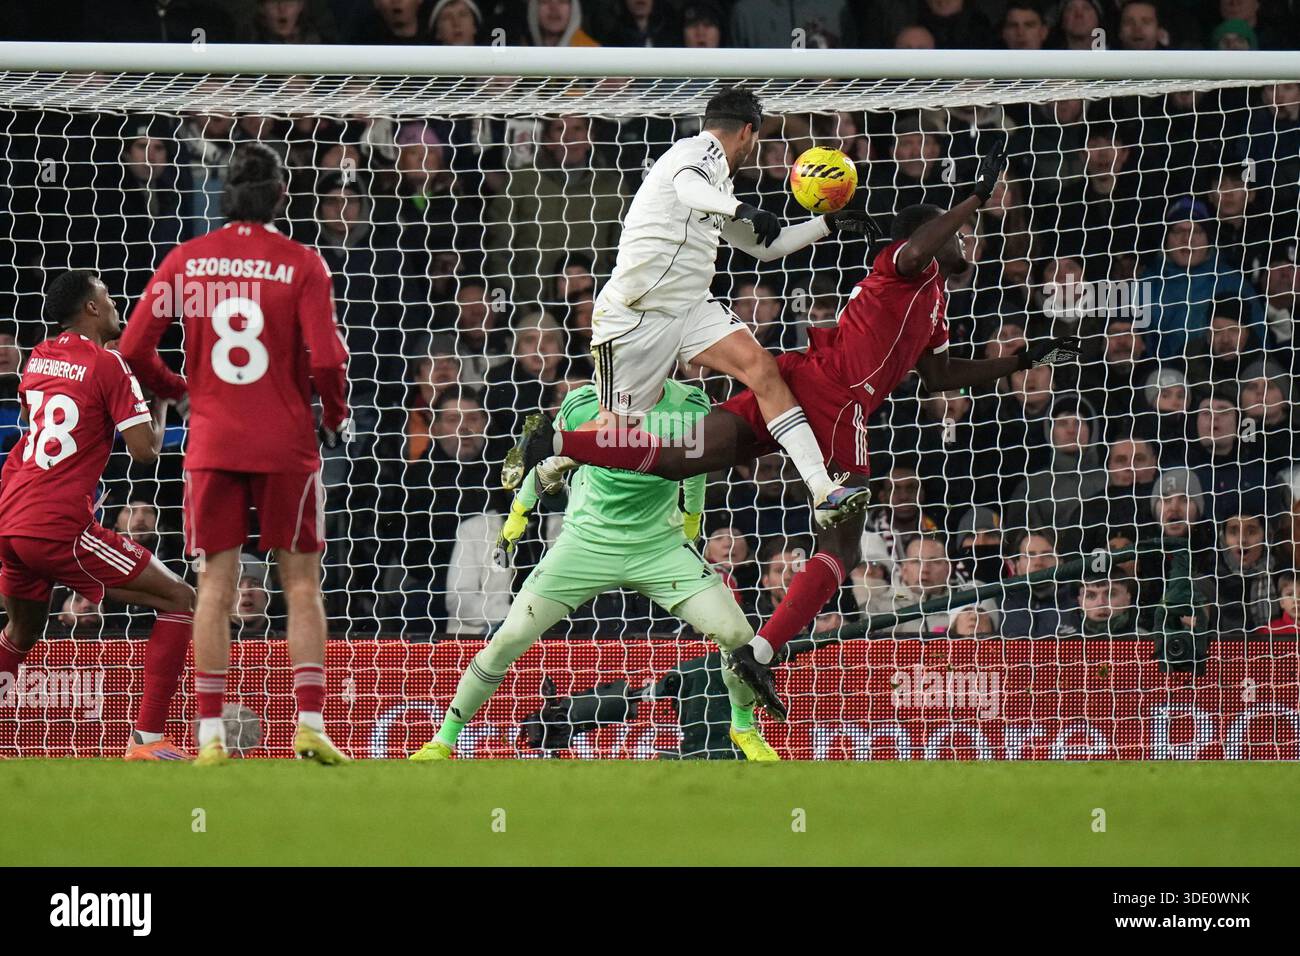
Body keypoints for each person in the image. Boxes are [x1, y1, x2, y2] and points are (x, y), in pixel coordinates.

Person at [531, 140, 1081, 715]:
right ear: (936, 237)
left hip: (797, 381)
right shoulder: (901, 268)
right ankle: (761, 653)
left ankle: (556, 442)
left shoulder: (933, 298)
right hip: (835, 402)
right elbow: (917, 247)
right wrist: (974, 196)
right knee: (839, 547)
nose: (966, 241)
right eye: (956, 235)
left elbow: (940, 375)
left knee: (682, 455)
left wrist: (1023, 359)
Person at [508, 87, 880, 525]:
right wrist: (742, 207)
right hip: (636, 314)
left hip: (690, 308)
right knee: (616, 432)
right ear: (747, 133)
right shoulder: (695, 152)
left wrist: (826, 223)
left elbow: (766, 248)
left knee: (762, 369)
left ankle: (822, 492)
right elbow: (688, 188)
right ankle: (548, 447)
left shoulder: (717, 183)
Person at [119, 143, 352, 767]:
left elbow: (135, 348)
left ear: (224, 195)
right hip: (285, 442)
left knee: (214, 585)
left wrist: (182, 390)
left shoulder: (186, 262)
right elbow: (328, 359)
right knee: (301, 583)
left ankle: (211, 737)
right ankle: (308, 723)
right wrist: (333, 414)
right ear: (282, 195)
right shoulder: (303, 263)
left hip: (213, 440)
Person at [409, 379, 780, 763]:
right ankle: (443, 740)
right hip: (585, 546)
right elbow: (549, 464)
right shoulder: (584, 404)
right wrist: (517, 515)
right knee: (508, 639)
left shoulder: (691, 405)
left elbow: (696, 467)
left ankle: (743, 728)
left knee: (737, 635)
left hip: (660, 548)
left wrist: (691, 521)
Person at [0, 271, 196, 760]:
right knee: (180, 597)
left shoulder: (40, 357)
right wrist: (164, 400)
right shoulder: (109, 365)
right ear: (90, 308)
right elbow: (145, 451)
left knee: (21, 632)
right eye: (108, 299)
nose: (116, 307)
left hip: (10, 515)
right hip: (57, 524)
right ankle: (147, 740)